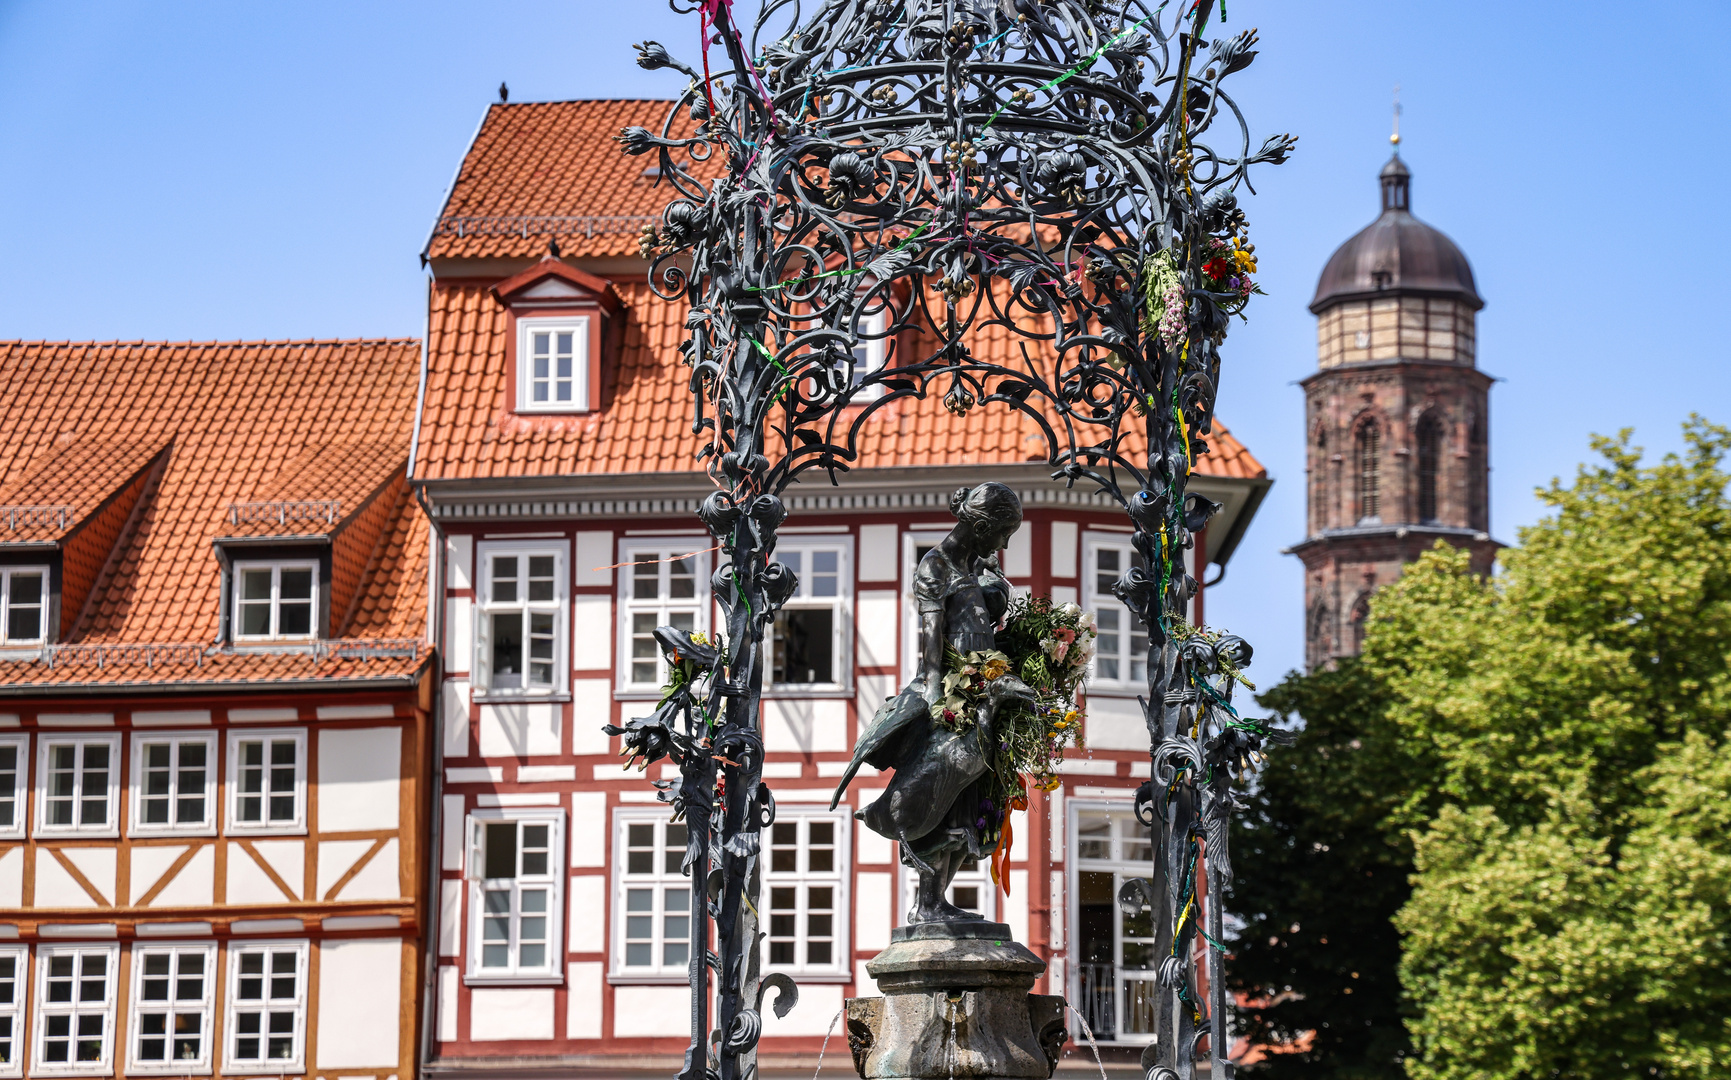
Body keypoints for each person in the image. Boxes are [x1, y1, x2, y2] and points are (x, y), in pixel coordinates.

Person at [830, 482, 1033, 924]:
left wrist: (996, 588)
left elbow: (987, 619)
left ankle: (937, 901)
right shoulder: (935, 566)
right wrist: (942, 707)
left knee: (972, 803)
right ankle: (927, 905)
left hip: (981, 688)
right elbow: (931, 650)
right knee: (943, 801)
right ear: (982, 526)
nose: (1005, 544)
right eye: (1004, 533)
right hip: (956, 695)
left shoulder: (976, 564)